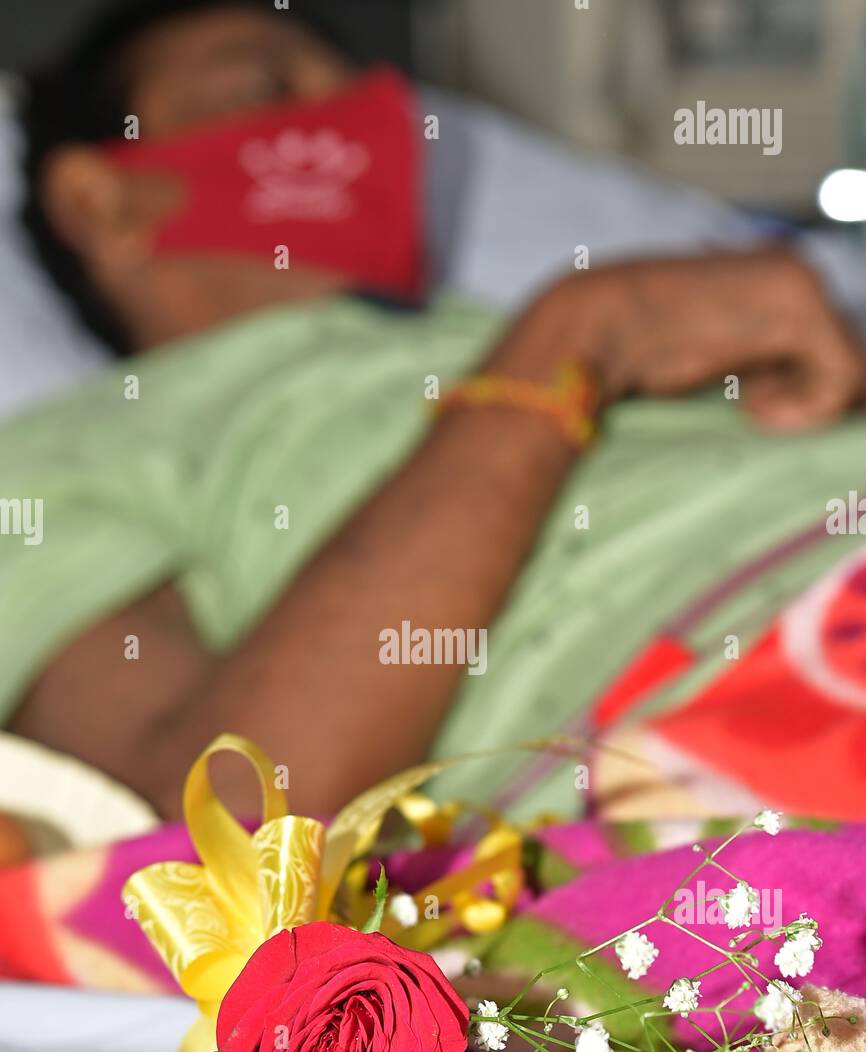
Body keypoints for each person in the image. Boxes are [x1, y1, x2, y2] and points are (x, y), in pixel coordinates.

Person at [6, 0, 866, 822]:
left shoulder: (539, 327)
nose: (351, 124)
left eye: (363, 100)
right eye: (266, 90)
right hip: (768, 713)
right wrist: (570, 346)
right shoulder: (66, 461)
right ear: (98, 199)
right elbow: (223, 829)